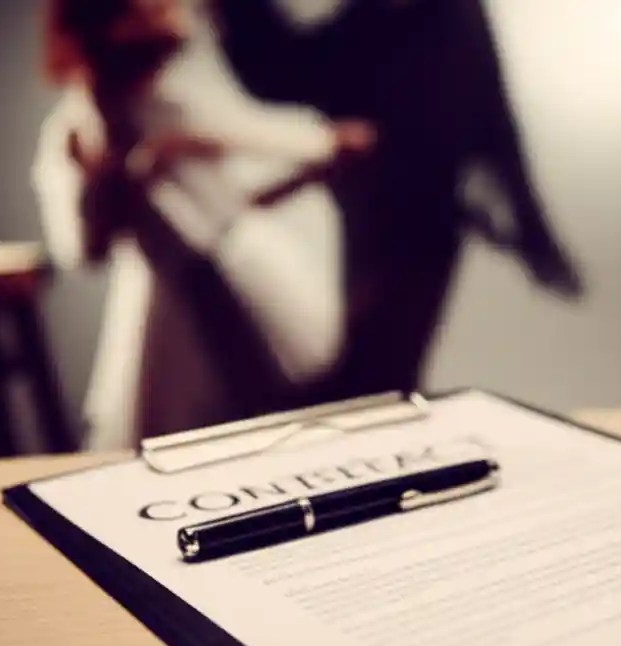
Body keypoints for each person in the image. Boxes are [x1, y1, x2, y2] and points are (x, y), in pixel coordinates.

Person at [33, 0, 374, 448]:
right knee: (178, 435)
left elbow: (243, 174)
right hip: (166, 305)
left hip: (237, 276)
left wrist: (317, 150)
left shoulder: (170, 111)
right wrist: (108, 176)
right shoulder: (76, 134)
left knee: (278, 421)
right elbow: (85, 249)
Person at [211, 0, 585, 398]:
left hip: (414, 220)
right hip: (395, 216)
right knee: (369, 381)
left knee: (376, 382)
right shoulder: (377, 21)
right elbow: (291, 73)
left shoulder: (437, 23)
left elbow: (300, 77)